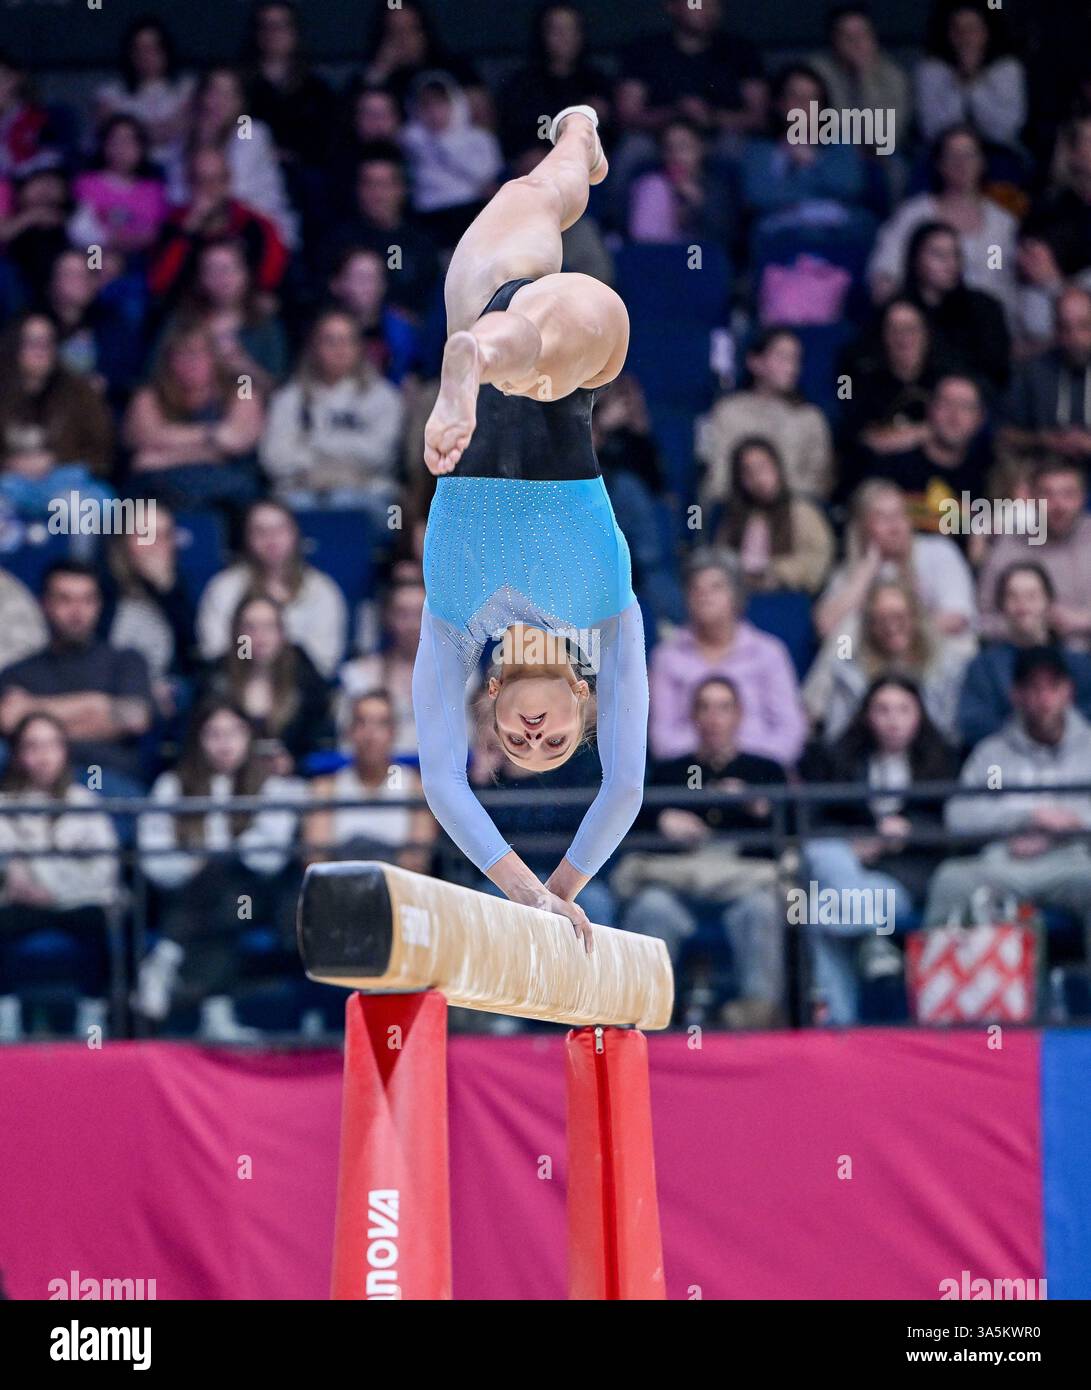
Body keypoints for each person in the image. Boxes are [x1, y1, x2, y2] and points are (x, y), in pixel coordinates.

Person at [414, 106, 645, 948]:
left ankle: (576, 140)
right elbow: (623, 787)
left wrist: (518, 892)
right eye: (550, 747)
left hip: (479, 303)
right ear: (583, 701)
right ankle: (477, 361)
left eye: (514, 744)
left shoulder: (450, 629)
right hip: (575, 346)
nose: (528, 739)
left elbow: (443, 781)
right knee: (548, 365)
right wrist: (561, 888)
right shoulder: (609, 622)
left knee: (543, 190)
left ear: (494, 711)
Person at [616, 675, 788, 1029]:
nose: (714, 718)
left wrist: (760, 809)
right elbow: (633, 830)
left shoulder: (766, 771)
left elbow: (789, 836)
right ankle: (644, 1015)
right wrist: (663, 819)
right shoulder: (668, 771)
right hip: (679, 881)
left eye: (724, 708)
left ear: (739, 715)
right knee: (651, 906)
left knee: (763, 908)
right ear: (693, 716)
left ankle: (756, 1015)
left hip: (743, 881)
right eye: (705, 707)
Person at [135, 699, 303, 1038]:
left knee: (225, 879)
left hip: (256, 898)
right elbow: (153, 859)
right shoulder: (172, 786)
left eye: (234, 733)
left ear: (248, 738)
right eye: (214, 734)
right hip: (195, 897)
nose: (225, 743)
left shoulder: (271, 785)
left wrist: (215, 855)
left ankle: (167, 953)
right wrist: (190, 864)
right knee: (222, 905)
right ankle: (216, 1012)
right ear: (198, 739)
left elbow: (268, 856)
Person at [801, 677, 957, 1025]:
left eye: (903, 710)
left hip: (901, 879)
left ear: (920, 715)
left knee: (813, 912)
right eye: (882, 710)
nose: (893, 719)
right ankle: (874, 938)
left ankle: (837, 1024)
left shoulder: (942, 761)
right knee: (823, 850)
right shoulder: (842, 760)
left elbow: (957, 827)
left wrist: (908, 833)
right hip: (849, 867)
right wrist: (861, 842)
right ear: (867, 716)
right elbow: (817, 822)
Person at [924, 648, 1091, 961]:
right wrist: (1027, 817)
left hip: (1075, 861)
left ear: (1067, 692)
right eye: (1033, 688)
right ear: (1016, 694)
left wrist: (1071, 823)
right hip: (1005, 863)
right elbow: (960, 816)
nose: (1043, 699)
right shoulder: (993, 755)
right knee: (951, 879)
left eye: (1052, 688)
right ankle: (940, 1002)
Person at [0, 713, 120, 1042]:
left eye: (52, 745)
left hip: (78, 905)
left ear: (65, 751)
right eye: (32, 746)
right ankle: (5, 1019)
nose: (43, 756)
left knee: (100, 921)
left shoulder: (87, 803)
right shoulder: (4, 806)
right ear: (18, 754)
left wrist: (38, 876)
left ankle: (93, 1020)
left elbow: (103, 874)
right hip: (19, 908)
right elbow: (6, 873)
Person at [0, 561, 154, 797]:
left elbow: (135, 718)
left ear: (99, 605)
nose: (77, 611)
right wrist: (98, 709)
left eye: (87, 600)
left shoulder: (126, 661)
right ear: (45, 604)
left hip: (102, 777)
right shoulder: (17, 672)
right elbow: (9, 721)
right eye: (65, 599)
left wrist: (32, 708)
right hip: (35, 782)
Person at [649, 550, 807, 765]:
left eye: (716, 587)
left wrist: (741, 760)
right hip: (689, 774)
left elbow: (791, 733)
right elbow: (662, 740)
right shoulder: (666, 657)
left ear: (737, 596)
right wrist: (711, 757)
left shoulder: (769, 652)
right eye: (696, 588)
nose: (704, 595)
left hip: (760, 773)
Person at [259, 307, 404, 520]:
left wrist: (315, 443)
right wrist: (342, 456)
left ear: (358, 347)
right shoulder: (288, 398)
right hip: (301, 495)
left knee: (381, 506)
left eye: (347, 341)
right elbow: (275, 459)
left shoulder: (384, 397)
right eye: (330, 341)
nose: (340, 349)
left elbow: (379, 455)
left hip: (365, 494)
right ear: (315, 347)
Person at [868, 125, 1018, 315]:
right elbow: (886, 270)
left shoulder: (1000, 224)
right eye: (952, 156)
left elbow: (997, 277)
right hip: (924, 321)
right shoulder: (913, 215)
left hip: (980, 323)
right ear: (939, 164)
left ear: (982, 162)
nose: (961, 163)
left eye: (969, 155)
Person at [123, 322, 263, 518]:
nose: (190, 363)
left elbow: (239, 439)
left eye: (198, 353)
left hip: (227, 481)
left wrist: (161, 457)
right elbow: (146, 436)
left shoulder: (243, 384)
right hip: (162, 485)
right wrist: (213, 437)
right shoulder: (149, 393)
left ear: (214, 357)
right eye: (181, 355)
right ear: (168, 360)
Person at [196, 499, 347, 678]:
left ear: (295, 534)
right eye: (260, 531)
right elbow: (215, 650)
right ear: (246, 538)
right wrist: (251, 660)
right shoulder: (225, 587)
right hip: (238, 689)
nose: (271, 538)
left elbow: (324, 661)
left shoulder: (320, 590)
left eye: (280, 529)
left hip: (300, 690)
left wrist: (279, 670)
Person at [808, 577, 968, 744]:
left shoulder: (947, 667)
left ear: (915, 618)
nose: (891, 627)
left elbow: (951, 733)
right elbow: (837, 736)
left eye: (898, 617)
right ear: (870, 626)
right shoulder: (850, 675)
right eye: (881, 619)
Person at [958, 561, 1091, 747]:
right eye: (1012, 596)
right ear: (1001, 605)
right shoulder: (983, 667)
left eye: (1032, 596)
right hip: (1006, 763)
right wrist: (1029, 736)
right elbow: (973, 724)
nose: (1022, 604)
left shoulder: (1080, 664)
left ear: (1049, 602)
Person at [698, 326, 835, 504]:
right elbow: (717, 475)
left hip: (792, 509)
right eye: (782, 357)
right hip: (737, 506)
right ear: (755, 362)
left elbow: (819, 482)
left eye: (795, 359)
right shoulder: (728, 411)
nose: (791, 367)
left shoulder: (811, 418)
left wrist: (774, 493)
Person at [198, 594, 333, 774]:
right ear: (237, 635)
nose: (259, 636)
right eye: (250, 628)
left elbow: (321, 739)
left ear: (282, 634)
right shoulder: (218, 676)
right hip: (229, 780)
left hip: (292, 782)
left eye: (269, 627)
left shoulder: (303, 673)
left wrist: (294, 764)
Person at [304, 690, 436, 873]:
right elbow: (316, 861)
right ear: (349, 731)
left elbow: (418, 862)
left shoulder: (415, 787)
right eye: (362, 722)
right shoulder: (327, 787)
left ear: (393, 732)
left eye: (381, 724)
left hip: (395, 891)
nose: (370, 734)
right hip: (339, 890)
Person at [0, 313, 115, 518]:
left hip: (64, 482)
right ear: (14, 346)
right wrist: (10, 463)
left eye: (47, 342)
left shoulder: (80, 391)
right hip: (9, 483)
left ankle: (76, 552)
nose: (40, 351)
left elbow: (102, 453)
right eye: (32, 342)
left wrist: (55, 460)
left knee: (102, 502)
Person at [169, 68, 297, 248]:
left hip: (255, 233)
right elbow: (176, 195)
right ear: (201, 97)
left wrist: (210, 140)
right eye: (214, 92)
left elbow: (233, 189)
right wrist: (201, 139)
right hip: (200, 232)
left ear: (240, 101)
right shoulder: (185, 138)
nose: (219, 101)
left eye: (229, 94)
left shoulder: (247, 126)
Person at [148, 145, 289, 303]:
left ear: (227, 182)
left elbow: (270, 280)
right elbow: (159, 284)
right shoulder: (173, 225)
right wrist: (187, 230)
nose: (208, 189)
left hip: (244, 310)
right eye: (199, 181)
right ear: (188, 183)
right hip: (186, 311)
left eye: (215, 180)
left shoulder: (257, 225)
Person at [976, 458, 1091, 650]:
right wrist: (1026, 624)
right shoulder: (1009, 544)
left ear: (1083, 497)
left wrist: (1082, 620)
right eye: (1048, 494)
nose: (1059, 505)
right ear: (1031, 497)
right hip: (1025, 659)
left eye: (1068, 494)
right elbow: (981, 621)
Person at [851, 373, 990, 532]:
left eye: (965, 407)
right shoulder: (892, 465)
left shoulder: (988, 474)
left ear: (979, 419)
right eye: (946, 403)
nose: (954, 415)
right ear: (930, 409)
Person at [106, 505, 199, 719]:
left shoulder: (179, 591)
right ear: (123, 542)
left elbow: (193, 653)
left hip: (170, 690)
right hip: (112, 689)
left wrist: (167, 591)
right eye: (145, 535)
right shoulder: (103, 589)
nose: (155, 546)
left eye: (164, 536)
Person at [713, 436, 835, 595]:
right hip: (740, 597)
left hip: (787, 596)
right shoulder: (733, 517)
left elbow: (818, 562)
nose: (758, 478)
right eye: (748, 472)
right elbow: (720, 560)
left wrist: (774, 571)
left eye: (763, 467)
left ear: (777, 467)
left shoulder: (802, 512)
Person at [900, 220, 1010, 391]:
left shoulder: (985, 309)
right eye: (939, 255)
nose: (951, 263)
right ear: (915, 258)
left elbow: (996, 371)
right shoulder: (897, 313)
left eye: (956, 254)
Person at [172, 238, 289, 394]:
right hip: (183, 407)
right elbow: (154, 377)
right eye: (211, 270)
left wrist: (243, 367)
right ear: (200, 278)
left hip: (245, 408)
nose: (220, 278)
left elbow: (275, 391)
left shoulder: (263, 327)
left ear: (245, 274)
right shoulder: (183, 321)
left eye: (227, 269)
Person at [401, 71, 503, 250]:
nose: (434, 112)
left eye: (440, 103)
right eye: (426, 105)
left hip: (471, 212)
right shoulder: (410, 140)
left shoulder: (480, 139)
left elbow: (485, 176)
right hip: (427, 219)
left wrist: (444, 144)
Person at [498, 3, 611, 161]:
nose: (565, 38)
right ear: (542, 35)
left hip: (586, 168)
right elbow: (514, 139)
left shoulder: (597, 82)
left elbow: (611, 140)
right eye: (557, 31)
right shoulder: (523, 84)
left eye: (571, 30)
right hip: (536, 170)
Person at [914, 1, 1026, 150]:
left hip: (998, 150)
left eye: (972, 29)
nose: (965, 38)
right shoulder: (930, 69)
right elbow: (932, 129)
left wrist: (974, 85)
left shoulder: (1008, 69)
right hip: (945, 153)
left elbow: (1007, 130)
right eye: (957, 30)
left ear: (986, 32)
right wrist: (958, 84)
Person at [338, 575, 426, 759]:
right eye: (402, 613)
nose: (412, 624)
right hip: (375, 782)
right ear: (387, 617)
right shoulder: (357, 676)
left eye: (420, 613)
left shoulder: (461, 677)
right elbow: (346, 747)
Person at [1002, 287, 1091, 466]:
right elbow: (1005, 435)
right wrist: (1045, 441)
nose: (1075, 337)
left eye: (1083, 326)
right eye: (1065, 327)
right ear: (1055, 330)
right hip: (1045, 476)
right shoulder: (1033, 371)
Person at [94, 17, 195, 171]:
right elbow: (110, 135)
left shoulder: (188, 88)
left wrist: (135, 134)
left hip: (179, 168)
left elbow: (186, 126)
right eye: (138, 49)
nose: (146, 56)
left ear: (165, 51)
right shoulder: (109, 93)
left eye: (153, 48)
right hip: (131, 173)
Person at [71, 114, 169, 259]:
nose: (121, 149)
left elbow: (156, 234)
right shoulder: (86, 184)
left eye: (129, 142)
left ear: (141, 147)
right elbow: (83, 234)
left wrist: (127, 241)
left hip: (141, 259)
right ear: (104, 145)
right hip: (97, 254)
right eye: (115, 142)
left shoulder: (154, 190)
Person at [809, 7, 912, 140]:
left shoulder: (893, 76)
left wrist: (864, 77)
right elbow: (814, 129)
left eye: (863, 34)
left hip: (881, 155)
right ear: (833, 40)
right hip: (829, 152)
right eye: (847, 36)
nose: (856, 42)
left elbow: (885, 136)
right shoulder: (817, 72)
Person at [628, 118, 733, 245]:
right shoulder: (652, 186)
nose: (675, 155)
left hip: (701, 260)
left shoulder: (717, 186)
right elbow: (643, 243)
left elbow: (725, 239)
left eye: (683, 147)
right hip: (659, 259)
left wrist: (699, 204)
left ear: (701, 148)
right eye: (669, 148)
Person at [327, 246, 421, 385]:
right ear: (337, 284)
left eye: (374, 278)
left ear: (384, 285)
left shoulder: (401, 329)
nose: (368, 286)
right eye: (360, 278)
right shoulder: (323, 330)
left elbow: (415, 372)